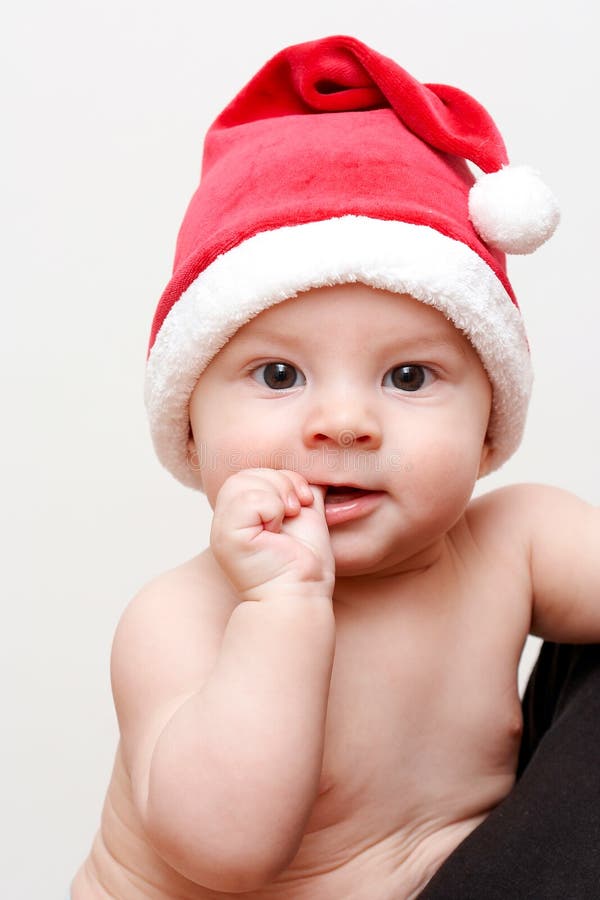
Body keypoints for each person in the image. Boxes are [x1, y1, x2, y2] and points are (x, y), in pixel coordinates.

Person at [71, 35, 600, 899]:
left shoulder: (513, 545)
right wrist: (283, 611)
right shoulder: (184, 619)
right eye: (278, 376)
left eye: (408, 376)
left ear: (489, 427)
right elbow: (225, 849)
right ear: (192, 430)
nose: (346, 423)